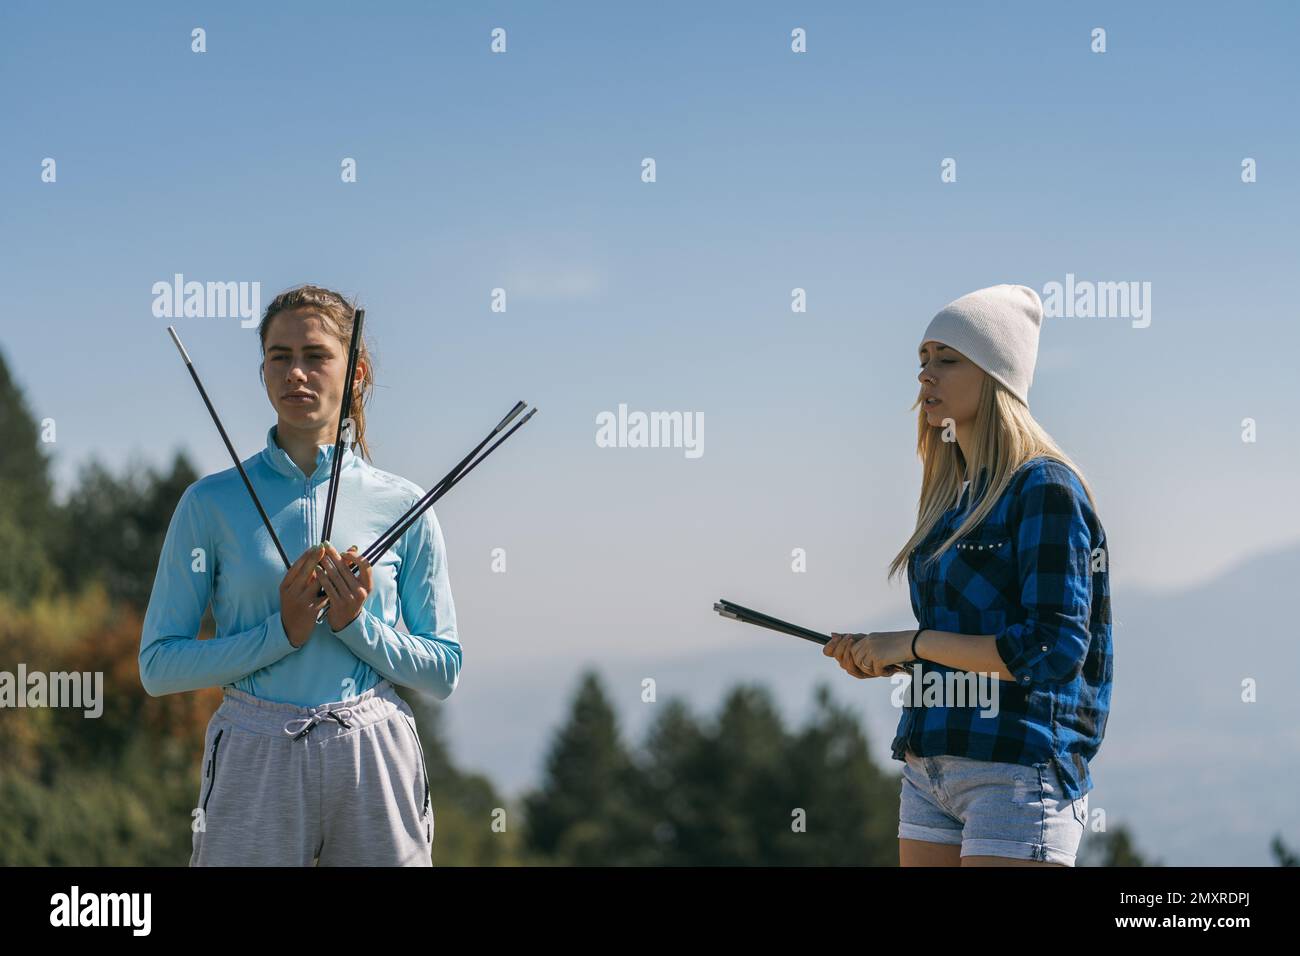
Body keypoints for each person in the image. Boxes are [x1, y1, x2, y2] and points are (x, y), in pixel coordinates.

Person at [139, 284, 460, 866]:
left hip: (374, 749)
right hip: (252, 749)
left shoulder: (405, 505)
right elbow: (158, 667)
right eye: (280, 357)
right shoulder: (210, 503)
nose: (297, 374)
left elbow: (443, 671)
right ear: (262, 370)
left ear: (355, 370)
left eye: (316, 356)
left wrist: (356, 626)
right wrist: (279, 634)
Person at [823, 284, 1112, 867]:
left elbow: (1050, 649)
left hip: (1016, 769)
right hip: (930, 766)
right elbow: (974, 643)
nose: (926, 375)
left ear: (997, 375)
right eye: (923, 360)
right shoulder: (954, 500)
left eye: (947, 359)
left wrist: (909, 643)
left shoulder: (1045, 489)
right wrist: (890, 656)